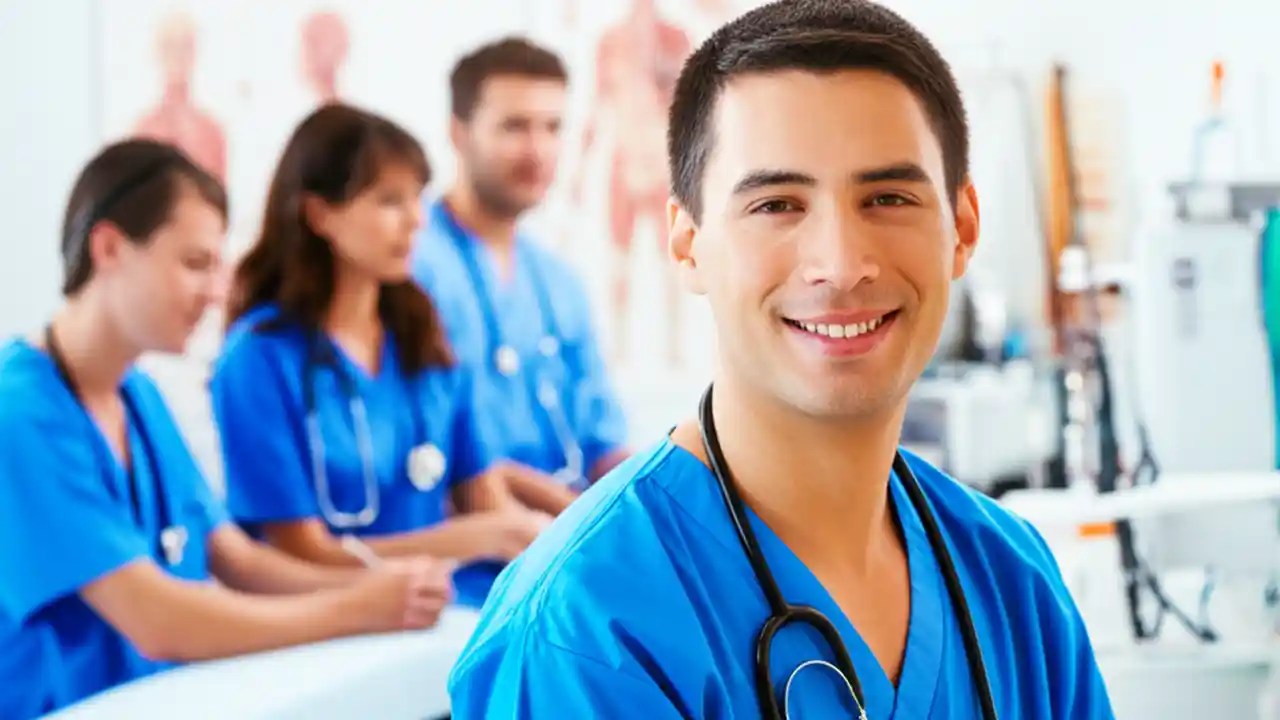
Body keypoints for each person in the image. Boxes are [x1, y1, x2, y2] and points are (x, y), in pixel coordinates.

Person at [447, 2, 1116, 718]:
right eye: (776, 204)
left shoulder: (1011, 581)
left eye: (887, 197)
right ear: (687, 241)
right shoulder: (586, 628)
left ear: (963, 228)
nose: (840, 263)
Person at [0, 139, 452, 719]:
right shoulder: (20, 415)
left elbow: (238, 560)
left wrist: (381, 586)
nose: (216, 293)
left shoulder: (138, 396)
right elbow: (157, 621)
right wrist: (356, 609)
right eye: (195, 264)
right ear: (109, 247)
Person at [210, 104, 551, 609]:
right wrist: (466, 540)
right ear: (319, 214)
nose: (416, 220)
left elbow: (484, 498)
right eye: (389, 201)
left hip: (447, 613)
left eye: (417, 199)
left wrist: (523, 538)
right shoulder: (257, 359)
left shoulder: (424, 335)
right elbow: (298, 551)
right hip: (324, 627)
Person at [413, 38, 629, 517]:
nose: (538, 150)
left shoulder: (559, 282)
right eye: (514, 127)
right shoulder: (411, 265)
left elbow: (604, 442)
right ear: (459, 133)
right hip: (468, 561)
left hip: (567, 538)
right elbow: (440, 456)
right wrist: (581, 522)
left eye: (552, 128)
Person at [572, 0, 692, 365]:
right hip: (625, 159)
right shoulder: (611, 42)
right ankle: (619, 346)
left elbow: (689, 106)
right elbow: (597, 105)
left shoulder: (675, 39)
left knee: (670, 256)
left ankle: (674, 346)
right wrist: (578, 171)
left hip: (660, 159)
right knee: (619, 258)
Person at [132, 11, 227, 180]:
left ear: (195, 52)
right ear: (158, 52)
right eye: (170, 45)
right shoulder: (143, 130)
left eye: (185, 46)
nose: (178, 55)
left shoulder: (212, 132)